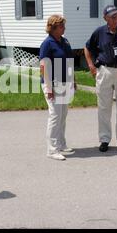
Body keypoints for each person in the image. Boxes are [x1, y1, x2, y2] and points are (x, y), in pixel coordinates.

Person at [84, 5, 117, 152]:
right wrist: (91, 66)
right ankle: (104, 139)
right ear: (105, 18)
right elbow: (87, 48)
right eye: (112, 17)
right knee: (103, 106)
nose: (116, 19)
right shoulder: (99, 32)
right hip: (105, 71)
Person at [39, 14, 76, 161]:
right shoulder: (47, 44)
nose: (64, 28)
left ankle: (61, 143)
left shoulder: (64, 41)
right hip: (52, 84)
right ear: (53, 28)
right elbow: (43, 67)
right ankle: (52, 149)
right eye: (61, 26)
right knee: (55, 115)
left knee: (63, 115)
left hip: (65, 83)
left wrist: (73, 80)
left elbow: (69, 62)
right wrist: (49, 88)